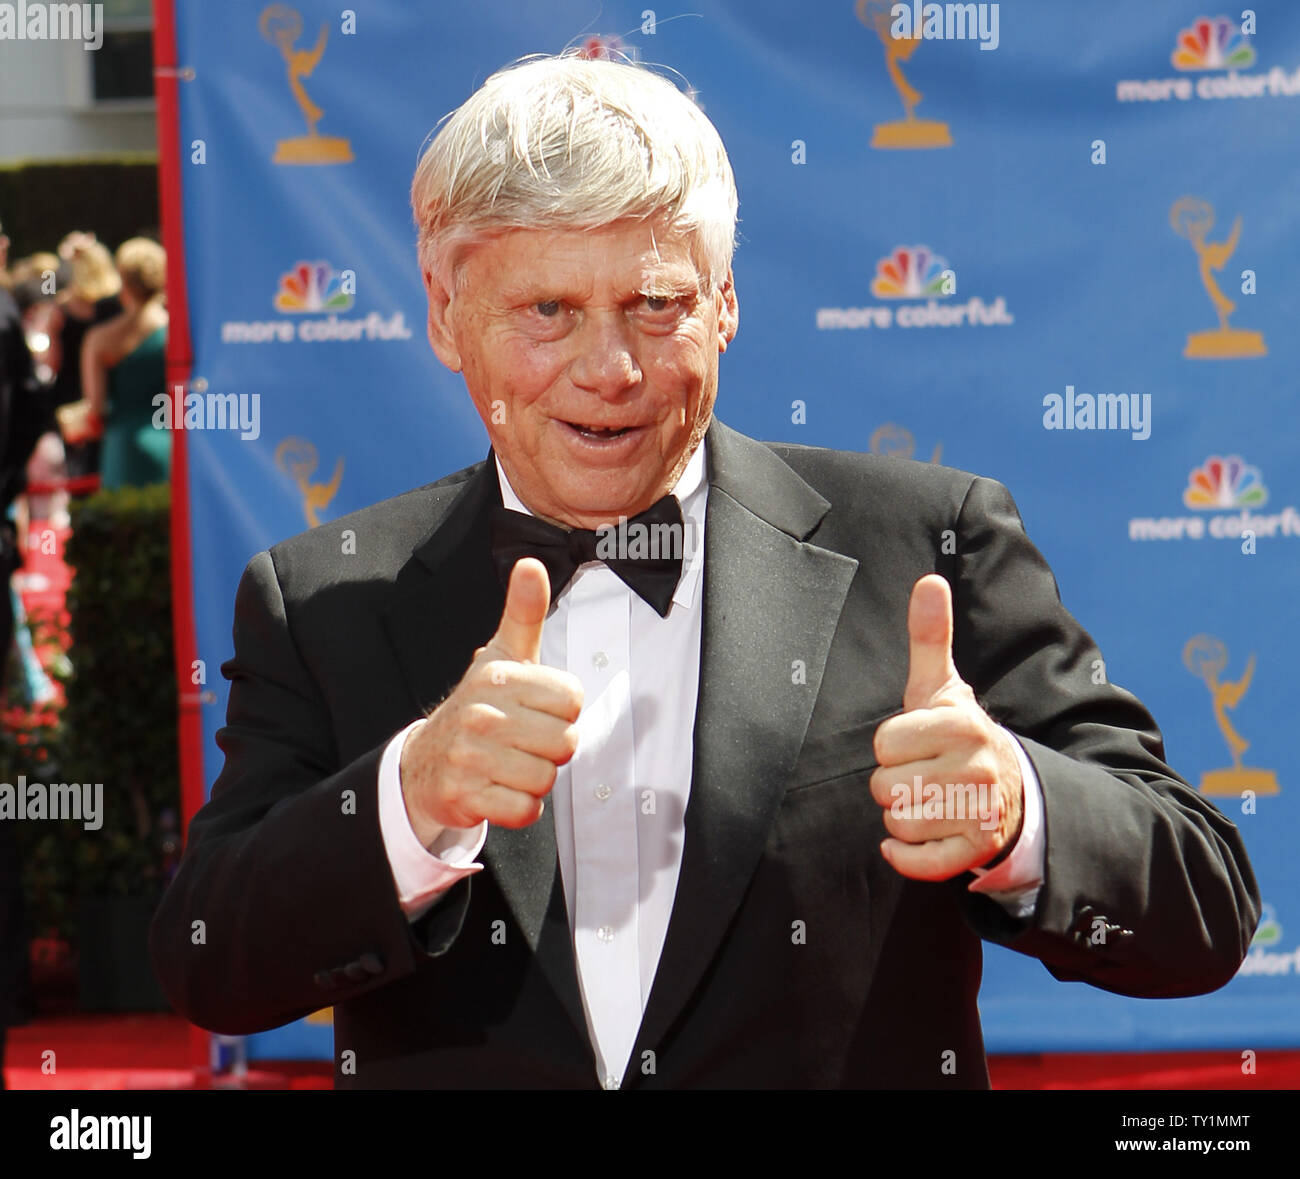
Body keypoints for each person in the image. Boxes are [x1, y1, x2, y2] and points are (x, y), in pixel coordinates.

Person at [149, 53, 1259, 1089]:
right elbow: (209, 965)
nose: (611, 369)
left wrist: (1021, 810)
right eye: (547, 311)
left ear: (724, 303)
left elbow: (1204, 917)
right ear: (446, 316)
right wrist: (407, 800)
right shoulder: (325, 598)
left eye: (656, 305)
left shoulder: (929, 545)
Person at [82, 238, 169, 491]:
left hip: (122, 450)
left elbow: (95, 411)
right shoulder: (182, 334)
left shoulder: (99, 339)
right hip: (172, 447)